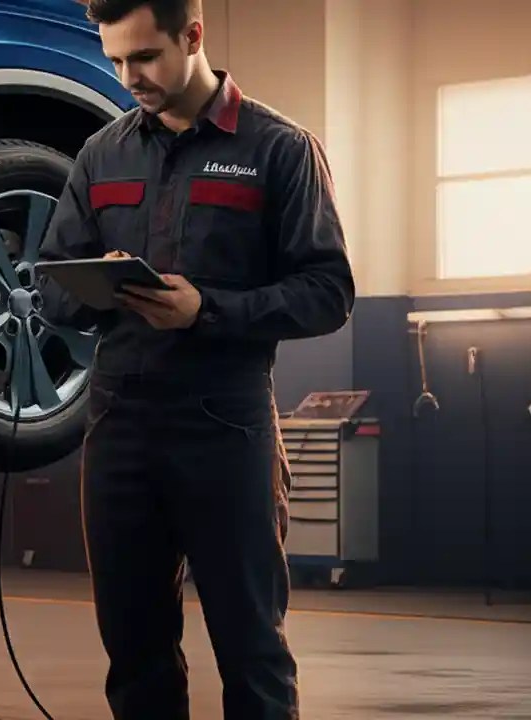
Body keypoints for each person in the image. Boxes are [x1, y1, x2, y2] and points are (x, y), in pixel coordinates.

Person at [37, 0, 355, 717]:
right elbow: (51, 282)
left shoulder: (280, 149)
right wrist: (98, 287)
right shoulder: (101, 154)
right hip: (118, 424)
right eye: (115, 60)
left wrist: (204, 309)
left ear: (194, 35)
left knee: (252, 652)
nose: (129, 77)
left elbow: (328, 292)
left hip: (227, 425)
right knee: (135, 652)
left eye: (144, 57)